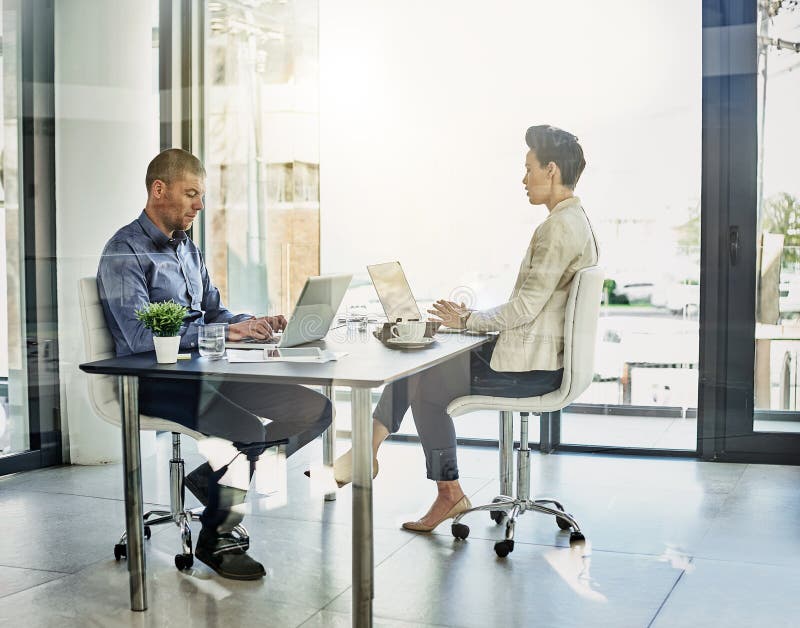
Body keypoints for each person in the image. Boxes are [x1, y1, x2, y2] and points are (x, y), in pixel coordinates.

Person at [331, 125, 599, 531]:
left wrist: (468, 321)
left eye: (528, 169)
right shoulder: (572, 220)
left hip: (532, 370)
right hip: (534, 357)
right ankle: (374, 452)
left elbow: (525, 307)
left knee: (424, 383)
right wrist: (467, 323)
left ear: (551, 170)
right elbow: (533, 307)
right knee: (422, 362)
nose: (523, 179)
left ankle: (440, 489)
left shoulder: (559, 227)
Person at [97, 148, 332, 580]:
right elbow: (136, 341)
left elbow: (214, 313)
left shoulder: (188, 249)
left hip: (209, 372)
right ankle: (216, 538)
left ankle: (213, 483)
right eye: (191, 194)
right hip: (156, 380)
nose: (199, 206)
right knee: (247, 430)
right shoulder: (124, 252)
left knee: (313, 410)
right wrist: (224, 335)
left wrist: (250, 323)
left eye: (200, 195)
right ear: (159, 189)